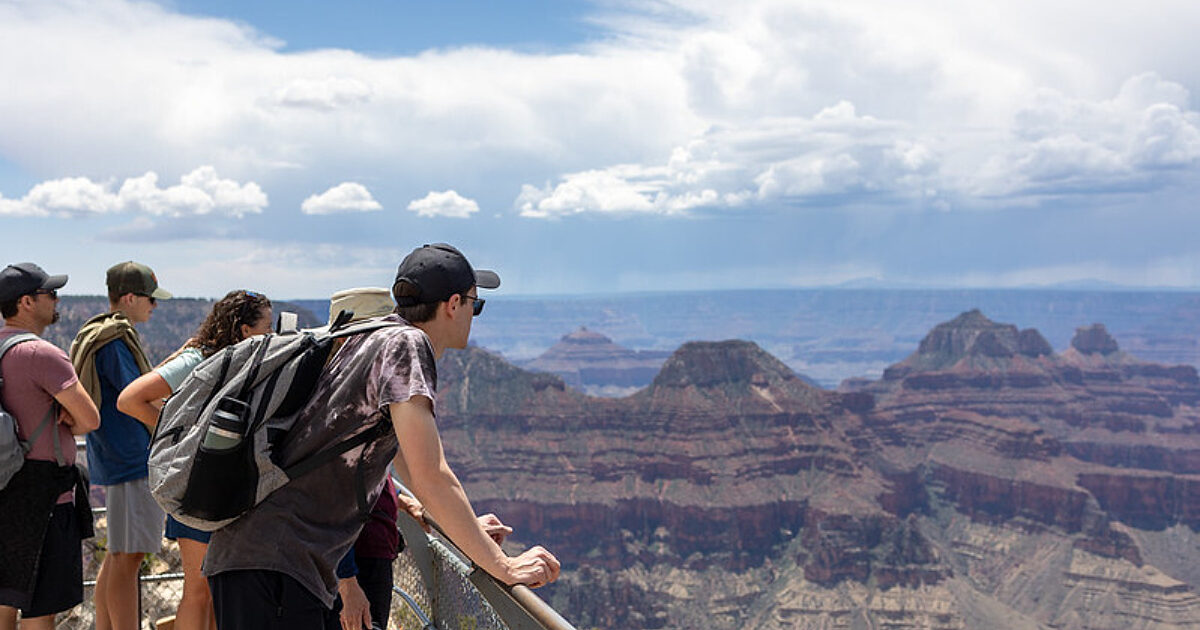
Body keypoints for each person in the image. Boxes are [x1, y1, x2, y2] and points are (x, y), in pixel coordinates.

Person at [204, 244, 560, 630]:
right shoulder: (408, 345)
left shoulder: (372, 336)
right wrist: (502, 566)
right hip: (278, 564)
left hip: (262, 558)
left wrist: (467, 529)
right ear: (453, 304)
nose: (474, 315)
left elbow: (405, 465)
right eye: (476, 303)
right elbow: (431, 474)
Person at [324, 287, 516, 630]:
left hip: (372, 550)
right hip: (356, 560)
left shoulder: (355, 392)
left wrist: (425, 511)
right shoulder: (351, 394)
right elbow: (328, 498)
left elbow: (390, 467)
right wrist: (348, 584)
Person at [117, 290, 273, 630]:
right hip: (196, 487)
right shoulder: (200, 359)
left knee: (217, 589)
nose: (272, 334)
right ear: (245, 330)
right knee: (199, 588)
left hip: (228, 490)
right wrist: (182, 432)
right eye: (267, 325)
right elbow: (129, 399)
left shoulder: (249, 363)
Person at [69, 261, 171, 630]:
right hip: (131, 460)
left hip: (113, 456)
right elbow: (134, 398)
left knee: (118, 556)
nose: (154, 306)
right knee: (129, 558)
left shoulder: (104, 334)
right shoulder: (114, 342)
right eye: (149, 299)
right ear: (129, 297)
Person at [0, 263, 100, 630]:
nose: (57, 301)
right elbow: (90, 420)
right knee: (41, 610)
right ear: (26, 302)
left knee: (2, 604)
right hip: (46, 500)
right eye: (51, 294)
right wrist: (66, 416)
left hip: (4, 489)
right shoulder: (43, 355)